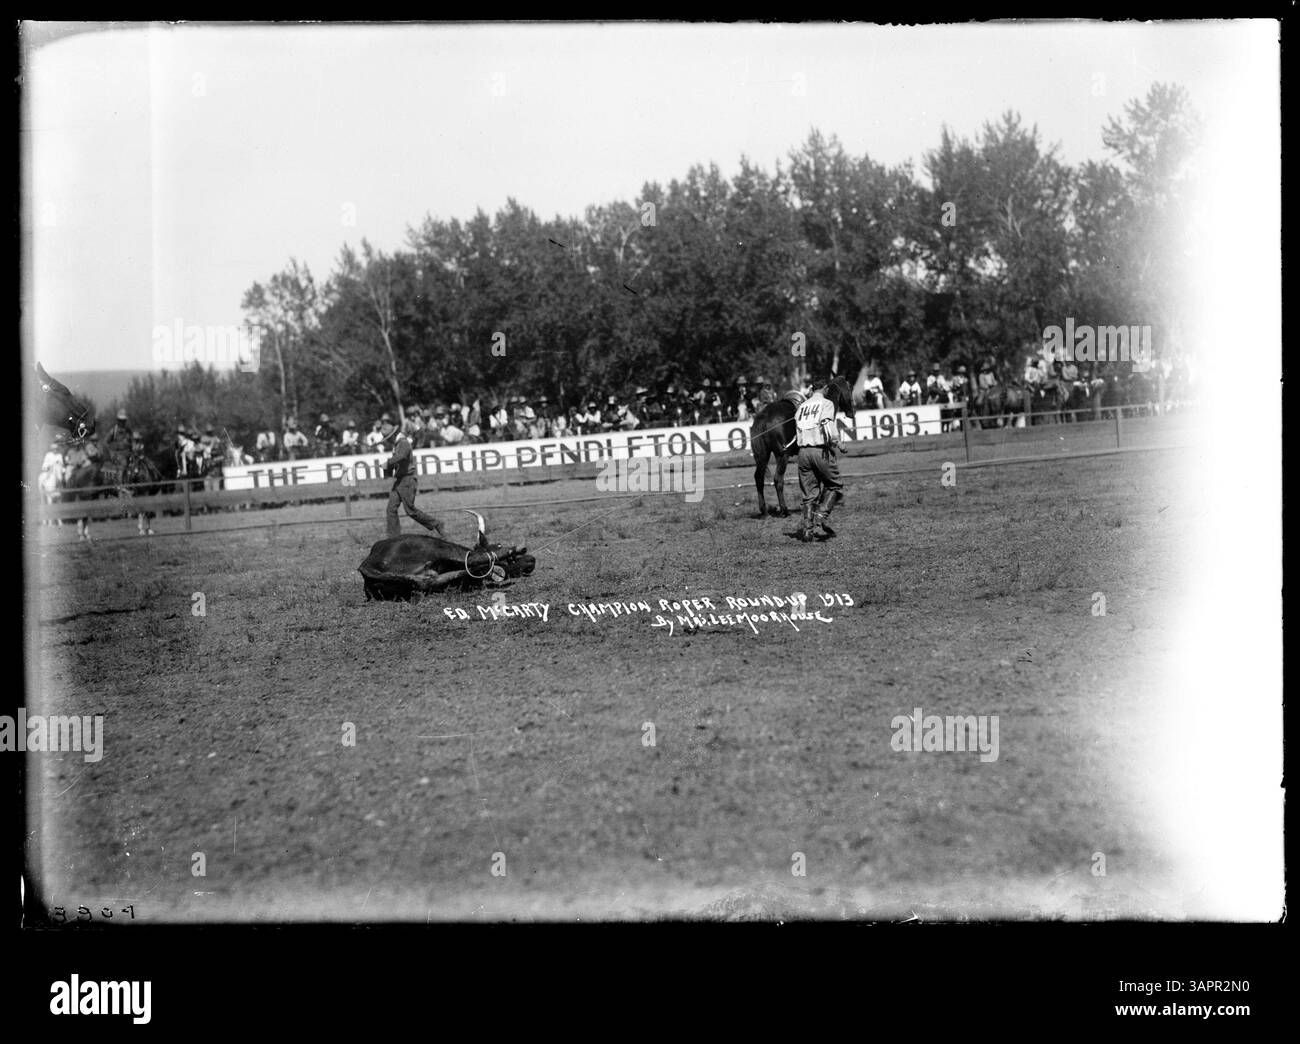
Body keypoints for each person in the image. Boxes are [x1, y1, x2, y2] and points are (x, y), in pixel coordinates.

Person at [793, 380, 845, 542]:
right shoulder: (827, 403)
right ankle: (821, 516)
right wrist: (837, 442)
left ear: (811, 389)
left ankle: (808, 531)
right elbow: (826, 423)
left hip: (803, 453)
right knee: (834, 485)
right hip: (820, 451)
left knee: (809, 494)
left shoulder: (802, 407)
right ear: (825, 388)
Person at [381, 415, 445, 539]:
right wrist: (389, 469)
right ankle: (393, 537)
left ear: (393, 436)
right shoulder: (398, 443)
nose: (387, 441)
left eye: (388, 439)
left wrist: (388, 463)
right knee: (391, 509)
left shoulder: (403, 443)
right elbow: (399, 460)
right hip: (400, 480)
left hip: (407, 480)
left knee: (410, 511)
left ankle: (437, 523)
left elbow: (402, 456)